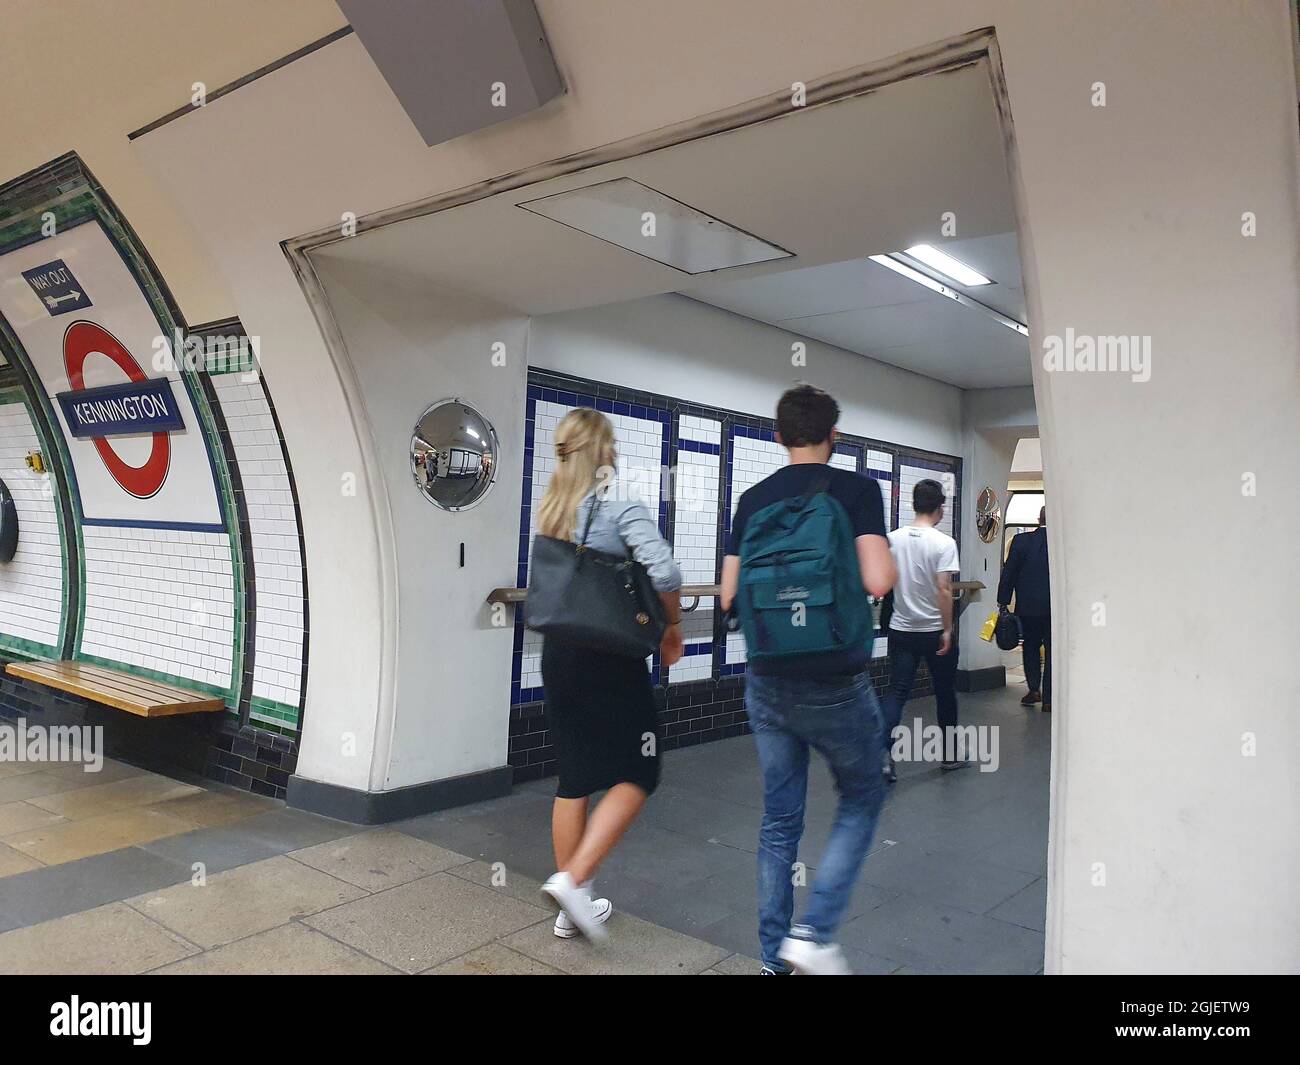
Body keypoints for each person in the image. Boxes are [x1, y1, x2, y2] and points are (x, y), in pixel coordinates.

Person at [720, 384, 896, 976]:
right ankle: (814, 932)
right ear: (834, 435)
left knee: (778, 822)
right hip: (837, 680)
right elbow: (877, 581)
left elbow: (726, 597)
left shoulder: (752, 500)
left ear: (778, 436)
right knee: (863, 794)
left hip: (767, 677)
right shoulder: (856, 490)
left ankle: (773, 961)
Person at [535, 409, 684, 940]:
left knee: (574, 778)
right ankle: (574, 882)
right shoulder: (622, 511)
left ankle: (571, 904)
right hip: (610, 659)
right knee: (640, 771)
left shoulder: (551, 513)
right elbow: (665, 571)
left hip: (559, 656)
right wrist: (672, 628)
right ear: (603, 454)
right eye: (612, 447)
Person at [881, 478, 962, 777]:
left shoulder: (892, 540)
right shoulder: (944, 543)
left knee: (897, 693)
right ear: (940, 508)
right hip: (932, 631)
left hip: (901, 628)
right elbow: (944, 589)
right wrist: (947, 630)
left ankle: (883, 758)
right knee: (944, 692)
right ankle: (950, 755)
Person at [998, 505, 1051, 712]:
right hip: (1054, 610)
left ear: (1038, 519)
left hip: (1027, 608)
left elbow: (1009, 573)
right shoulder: (1062, 543)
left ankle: (1033, 690)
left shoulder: (1021, 541)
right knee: (1053, 651)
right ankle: (1049, 699)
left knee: (1030, 646)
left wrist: (1003, 601)